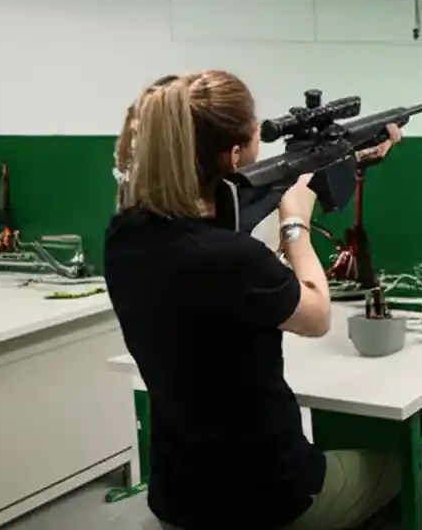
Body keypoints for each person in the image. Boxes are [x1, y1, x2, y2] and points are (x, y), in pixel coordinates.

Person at [105, 70, 403, 530]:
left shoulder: (125, 236)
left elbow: (211, 248)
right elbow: (317, 316)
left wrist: (348, 161)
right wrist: (296, 222)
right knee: (404, 469)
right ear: (234, 154)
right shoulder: (231, 257)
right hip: (266, 497)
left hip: (180, 497)